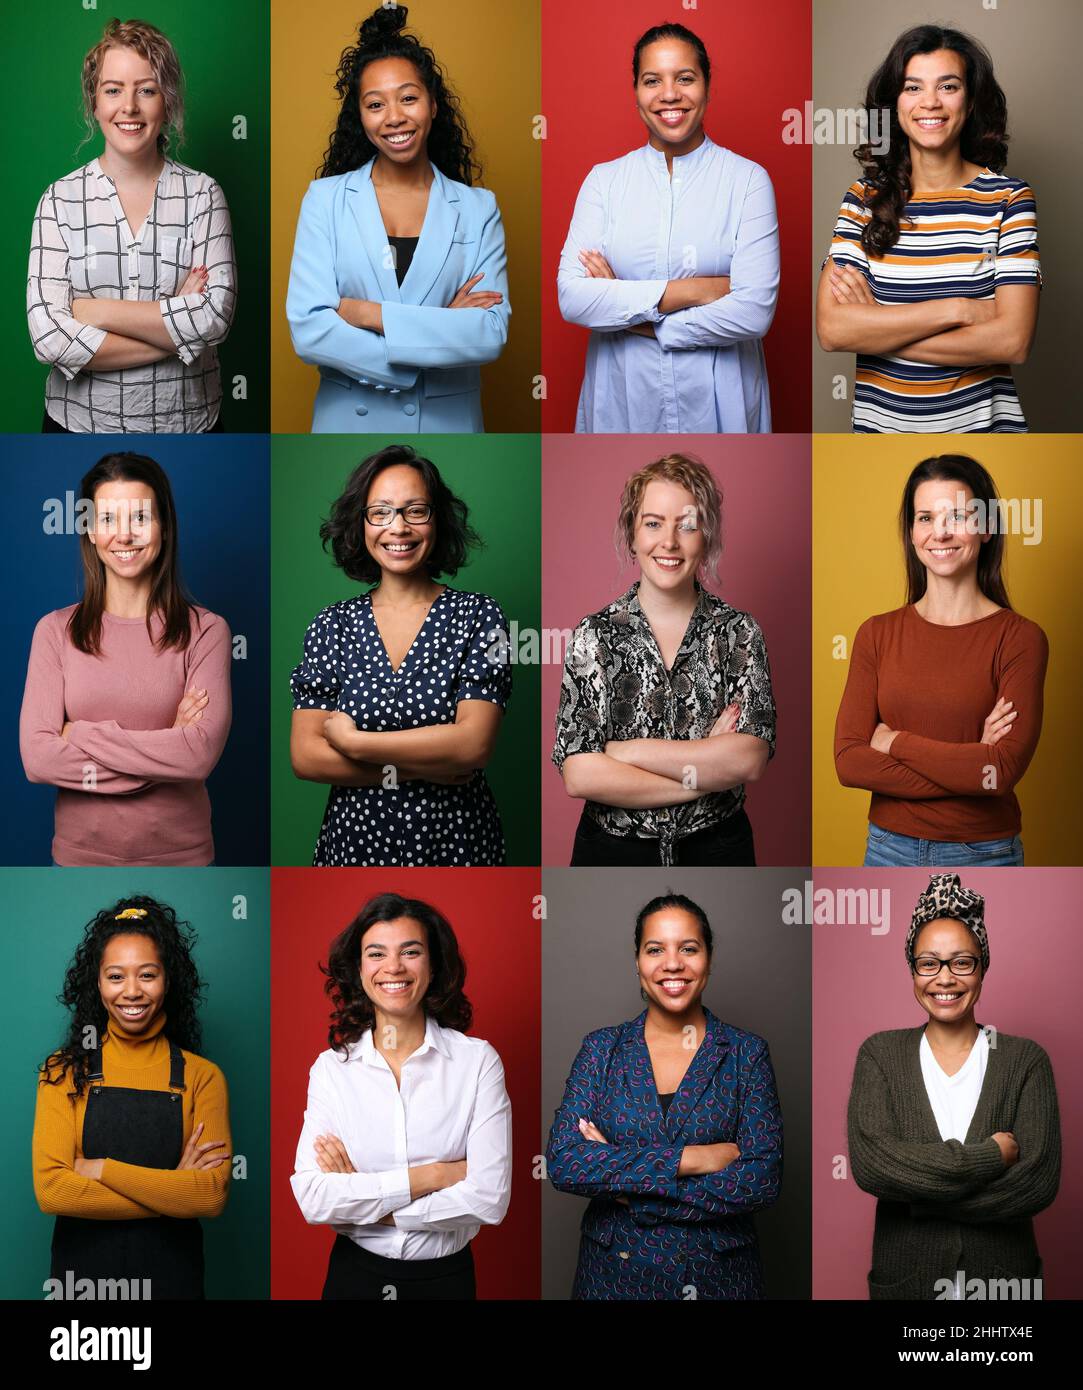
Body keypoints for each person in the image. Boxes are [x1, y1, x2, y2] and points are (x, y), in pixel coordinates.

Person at [546, 892, 783, 1300]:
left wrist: (628, 1188)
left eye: (688, 948)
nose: (673, 963)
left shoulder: (746, 1052)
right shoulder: (601, 1049)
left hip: (720, 1280)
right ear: (637, 961)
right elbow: (566, 1162)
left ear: (708, 958)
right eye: (655, 949)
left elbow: (760, 1181)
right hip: (613, 1279)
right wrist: (695, 1158)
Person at [286, 3, 509, 433]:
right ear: (361, 116)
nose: (394, 118)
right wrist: (440, 329)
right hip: (347, 426)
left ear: (433, 105)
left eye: (408, 97)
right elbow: (310, 329)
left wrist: (370, 314)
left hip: (450, 427)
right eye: (375, 104)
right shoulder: (325, 200)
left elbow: (489, 333)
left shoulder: (479, 208)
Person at [290, 444, 510, 867]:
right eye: (381, 512)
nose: (398, 527)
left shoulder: (482, 616)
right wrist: (420, 769)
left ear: (437, 520)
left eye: (415, 511)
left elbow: (473, 745)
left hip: (456, 841)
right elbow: (306, 756)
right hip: (353, 843)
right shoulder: (330, 625)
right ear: (362, 523)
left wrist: (354, 742)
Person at [553, 453, 774, 866]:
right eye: (653, 523)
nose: (669, 542)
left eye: (686, 525)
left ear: (705, 535)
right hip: (611, 852)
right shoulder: (594, 634)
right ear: (632, 535)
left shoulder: (739, 632)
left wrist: (625, 751)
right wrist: (705, 767)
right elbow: (580, 773)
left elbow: (749, 759)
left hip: (718, 848)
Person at [816, 24, 1040, 433]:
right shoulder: (862, 199)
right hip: (878, 444)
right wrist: (959, 310)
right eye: (913, 88)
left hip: (987, 439)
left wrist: (879, 325)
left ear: (970, 102)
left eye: (948, 87)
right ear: (895, 105)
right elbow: (833, 330)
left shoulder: (1009, 199)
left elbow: (1012, 342)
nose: (930, 103)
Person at [556, 22, 778, 433]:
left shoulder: (748, 180)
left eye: (685, 78)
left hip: (720, 401)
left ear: (707, 86)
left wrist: (632, 316)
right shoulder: (604, 182)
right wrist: (697, 290)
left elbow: (753, 313)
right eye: (652, 80)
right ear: (636, 92)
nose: (670, 94)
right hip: (622, 396)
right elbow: (572, 298)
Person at [848, 872, 1060, 1301]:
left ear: (983, 968)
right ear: (912, 970)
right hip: (906, 1285)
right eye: (929, 963)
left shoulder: (1025, 1060)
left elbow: (1036, 1184)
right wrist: (990, 1156)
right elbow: (873, 1165)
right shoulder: (880, 1055)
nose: (945, 978)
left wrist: (921, 1200)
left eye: (962, 962)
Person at [291, 893, 512, 1300]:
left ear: (433, 966)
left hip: (446, 1282)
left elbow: (489, 1199)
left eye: (410, 952)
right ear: (359, 970)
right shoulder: (331, 1070)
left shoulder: (477, 1062)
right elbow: (314, 1199)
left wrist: (367, 1202)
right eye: (376, 954)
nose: (393, 967)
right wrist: (434, 1176)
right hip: (354, 1277)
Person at [19, 452, 232, 866]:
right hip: (80, 856)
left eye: (139, 518)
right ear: (91, 532)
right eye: (108, 519)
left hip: (181, 856)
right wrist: (166, 745)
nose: (125, 535)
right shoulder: (53, 631)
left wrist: (77, 734)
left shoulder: (208, 630)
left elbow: (197, 756)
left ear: (164, 527)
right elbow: (38, 759)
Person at [834, 454, 1047, 867]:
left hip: (986, 853)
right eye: (926, 518)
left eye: (958, 516)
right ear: (911, 533)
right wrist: (970, 761)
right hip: (887, 849)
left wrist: (894, 742)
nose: (941, 532)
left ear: (986, 528)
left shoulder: (1021, 638)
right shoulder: (875, 634)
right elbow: (849, 763)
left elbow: (999, 773)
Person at [27, 18, 236, 433]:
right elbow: (48, 337)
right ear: (95, 103)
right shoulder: (59, 200)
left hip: (190, 426)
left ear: (167, 100)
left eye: (147, 89)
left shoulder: (203, 194)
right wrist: (177, 335)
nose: (130, 107)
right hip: (77, 427)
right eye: (113, 90)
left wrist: (95, 311)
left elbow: (214, 317)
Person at [32, 897, 232, 1300]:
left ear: (168, 980)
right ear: (98, 983)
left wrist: (101, 1169)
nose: (132, 992)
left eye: (147, 975)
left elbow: (210, 1196)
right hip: (83, 1284)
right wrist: (174, 1191)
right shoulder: (62, 1071)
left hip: (173, 1279)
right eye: (116, 977)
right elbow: (52, 1190)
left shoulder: (203, 1077)